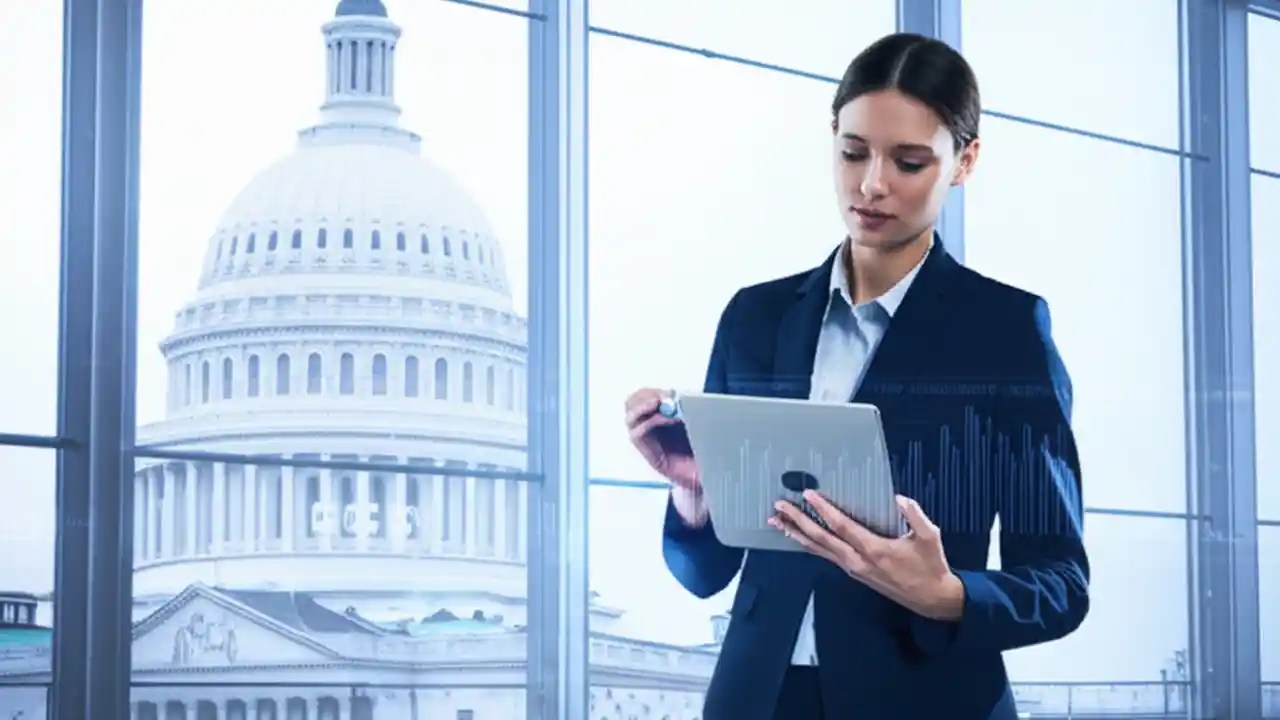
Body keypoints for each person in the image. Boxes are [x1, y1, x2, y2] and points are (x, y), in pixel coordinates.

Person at [623, 32, 1090, 720]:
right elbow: (704, 576)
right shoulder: (754, 318)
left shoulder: (1004, 332)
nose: (872, 184)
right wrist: (696, 493)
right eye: (852, 152)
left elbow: (1060, 582)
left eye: (908, 162)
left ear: (964, 161)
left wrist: (946, 595)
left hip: (925, 698)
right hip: (759, 696)